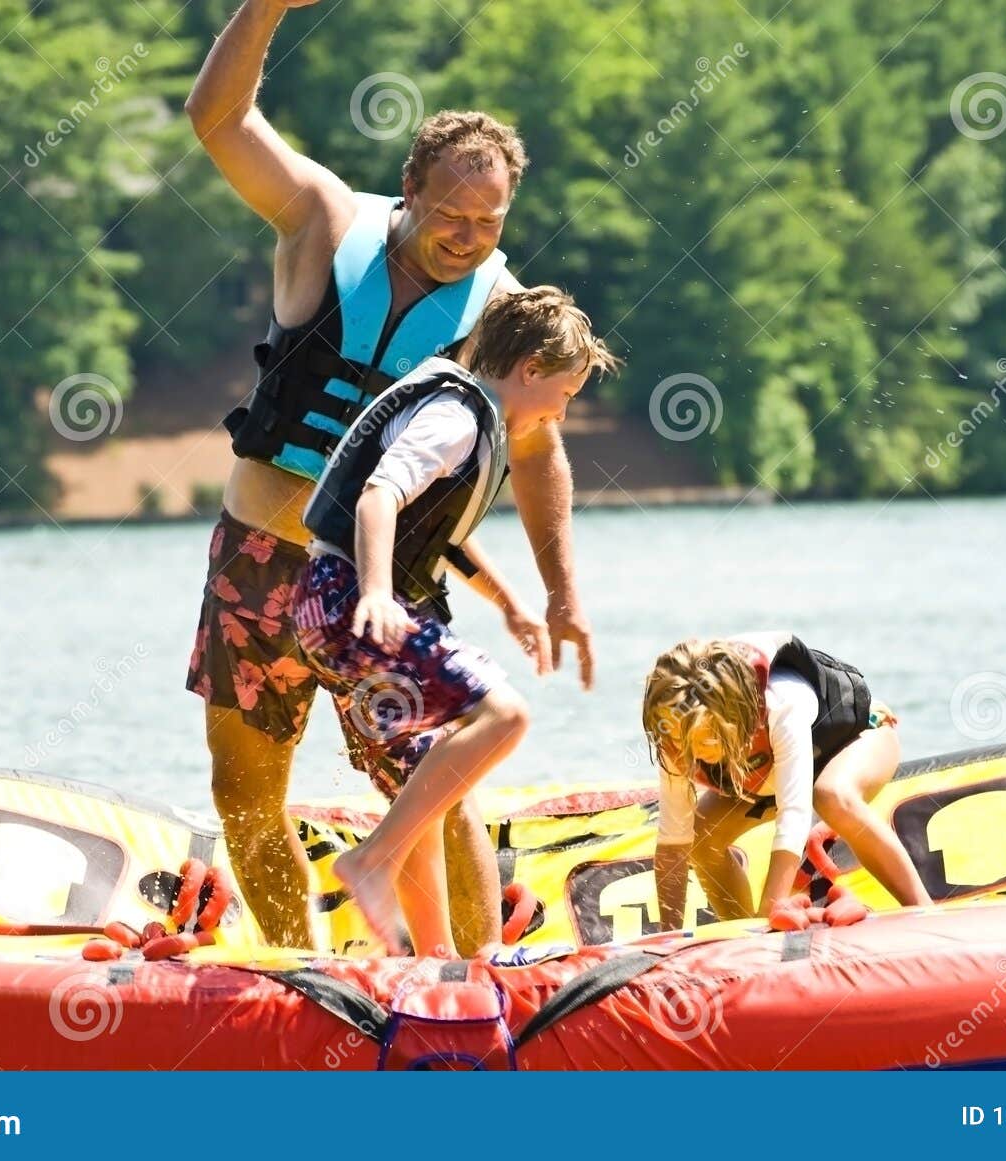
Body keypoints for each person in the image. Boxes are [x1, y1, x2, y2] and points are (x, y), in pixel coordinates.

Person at [183, 0, 595, 950]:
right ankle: (306, 977)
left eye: (487, 222)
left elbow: (536, 447)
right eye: (449, 212)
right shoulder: (325, 220)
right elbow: (219, 121)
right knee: (245, 789)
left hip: (388, 591)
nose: (465, 235)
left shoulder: (501, 310)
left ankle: (477, 981)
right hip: (259, 562)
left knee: (433, 788)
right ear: (408, 186)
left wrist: (560, 590)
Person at [291, 287, 618, 956]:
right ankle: (371, 859)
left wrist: (512, 605)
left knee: (423, 789)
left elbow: (438, 532)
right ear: (530, 369)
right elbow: (381, 494)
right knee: (506, 714)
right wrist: (377, 591)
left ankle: (438, 968)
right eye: (564, 392)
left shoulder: (466, 418)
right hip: (353, 599)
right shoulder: (457, 416)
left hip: (321, 609)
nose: (562, 409)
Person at [641, 632, 934, 930]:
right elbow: (672, 845)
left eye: (703, 740)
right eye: (679, 740)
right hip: (766, 776)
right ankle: (739, 932)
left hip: (855, 738)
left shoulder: (783, 705)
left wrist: (770, 917)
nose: (689, 752)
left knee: (831, 795)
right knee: (701, 836)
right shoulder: (677, 734)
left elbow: (793, 817)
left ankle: (925, 912)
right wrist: (669, 936)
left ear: (736, 717)